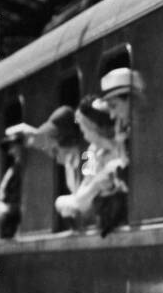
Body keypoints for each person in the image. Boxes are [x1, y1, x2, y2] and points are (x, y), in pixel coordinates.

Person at [55, 97, 128, 235]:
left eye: (84, 130)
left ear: (93, 126)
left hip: (121, 216)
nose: (84, 136)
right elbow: (82, 197)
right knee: (60, 202)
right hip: (100, 215)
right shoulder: (90, 153)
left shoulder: (121, 144)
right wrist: (96, 184)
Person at [6, 106, 86, 196]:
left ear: (68, 141)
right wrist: (31, 134)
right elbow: (42, 140)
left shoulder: (87, 158)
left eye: (55, 150)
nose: (51, 155)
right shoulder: (70, 164)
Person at [0, 130, 25, 240]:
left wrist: (8, 209)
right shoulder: (13, 169)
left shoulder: (22, 169)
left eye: (14, 146)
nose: (11, 152)